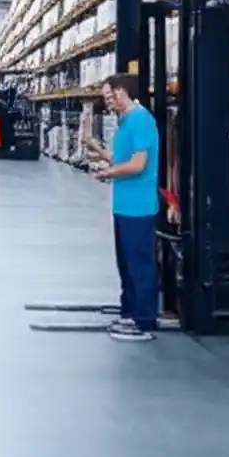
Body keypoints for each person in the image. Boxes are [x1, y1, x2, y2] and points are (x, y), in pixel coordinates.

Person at [83, 73, 160, 342]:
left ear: (122, 91)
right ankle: (129, 312)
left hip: (139, 207)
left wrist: (109, 174)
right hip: (124, 205)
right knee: (125, 263)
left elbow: (138, 165)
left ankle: (144, 321)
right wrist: (98, 153)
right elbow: (120, 158)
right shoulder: (126, 120)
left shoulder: (141, 119)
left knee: (140, 263)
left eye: (109, 96)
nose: (108, 102)